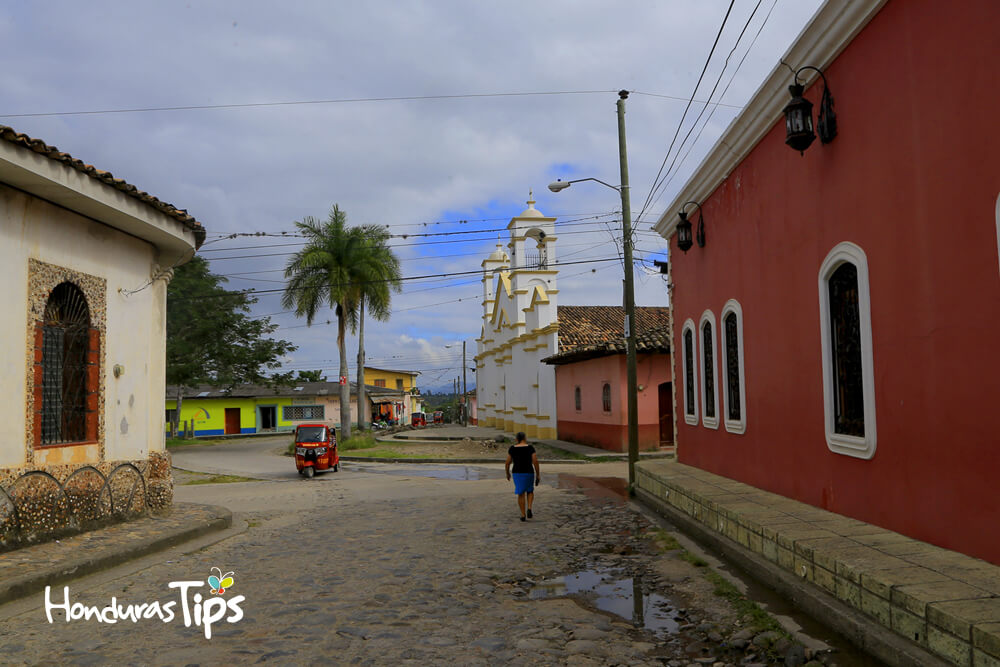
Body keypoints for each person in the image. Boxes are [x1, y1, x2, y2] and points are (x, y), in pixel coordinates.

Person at [504, 432, 540, 521]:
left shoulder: (512, 449)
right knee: (530, 490)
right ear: (525, 438)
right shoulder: (530, 448)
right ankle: (529, 508)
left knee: (521, 494)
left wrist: (507, 473)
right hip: (529, 472)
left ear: (517, 439)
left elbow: (507, 462)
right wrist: (538, 474)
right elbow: (535, 461)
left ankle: (523, 515)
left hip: (517, 472)